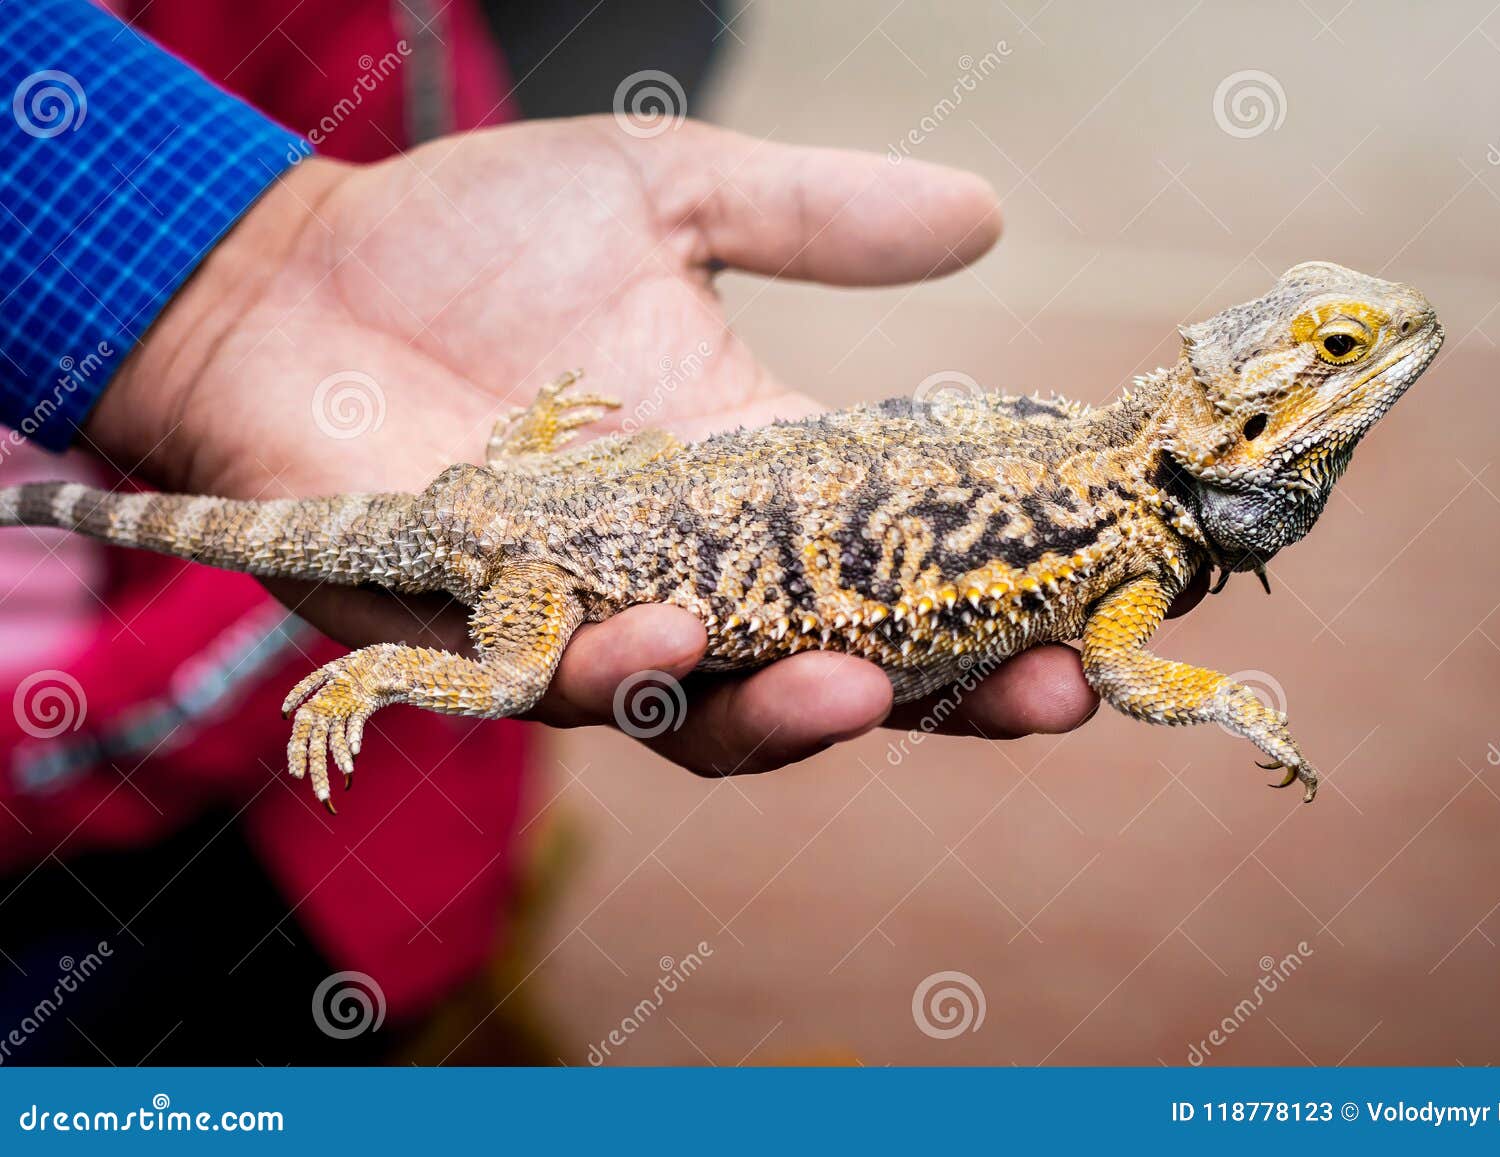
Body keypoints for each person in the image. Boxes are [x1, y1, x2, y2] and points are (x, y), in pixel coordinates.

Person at [0, 0, 1104, 1062]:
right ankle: (375, 675)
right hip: (475, 559)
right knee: (507, 672)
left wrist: (233, 271)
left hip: (352, 713)